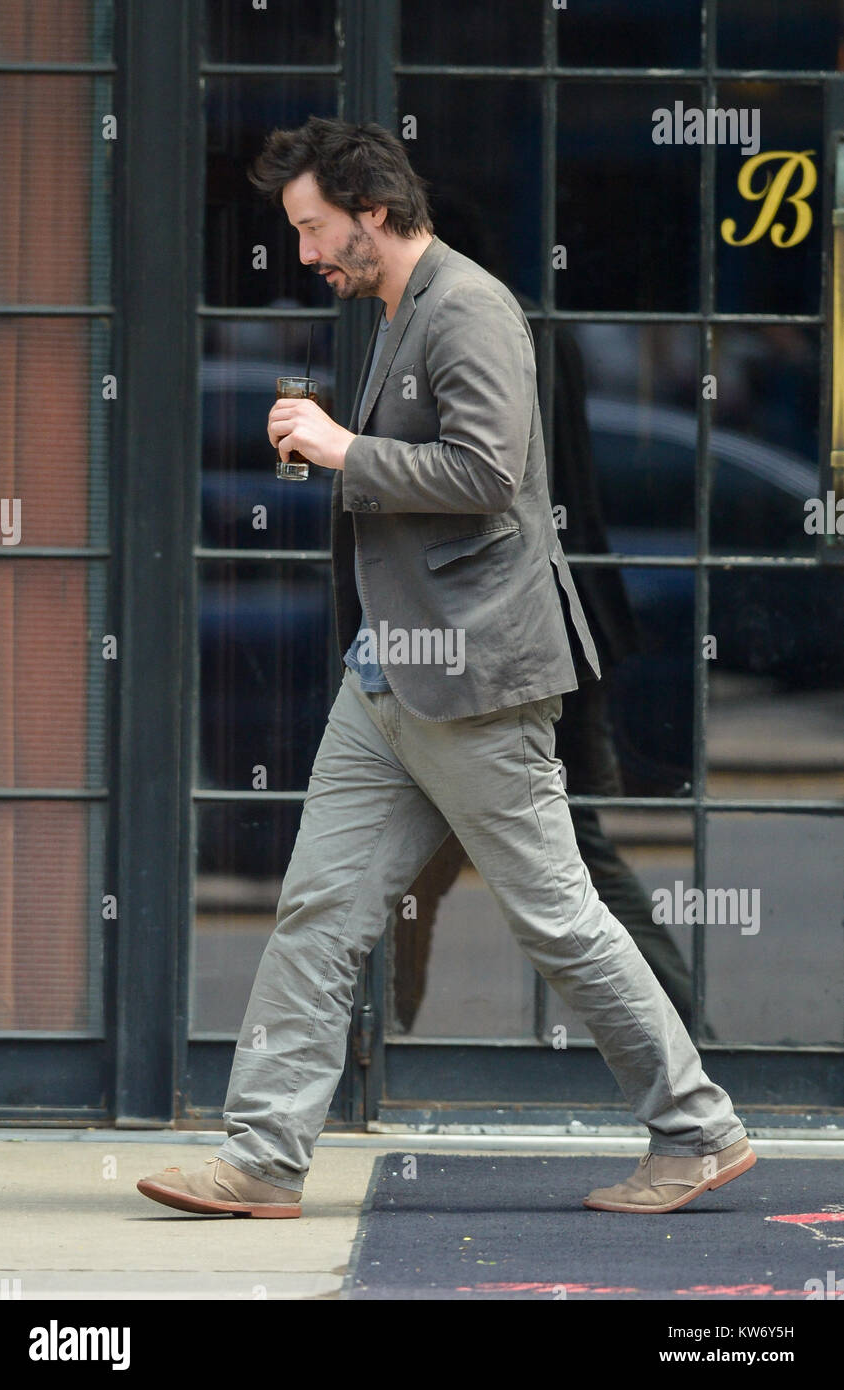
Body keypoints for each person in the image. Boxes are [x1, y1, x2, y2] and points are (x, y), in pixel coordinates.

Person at [137, 116, 755, 1219]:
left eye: (316, 227)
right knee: (319, 909)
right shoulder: (400, 307)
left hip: (474, 674)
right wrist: (344, 450)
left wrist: (340, 449)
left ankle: (697, 1130)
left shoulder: (468, 306)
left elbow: (483, 468)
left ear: (373, 211)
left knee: (559, 917)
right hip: (390, 671)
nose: (306, 251)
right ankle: (262, 1159)